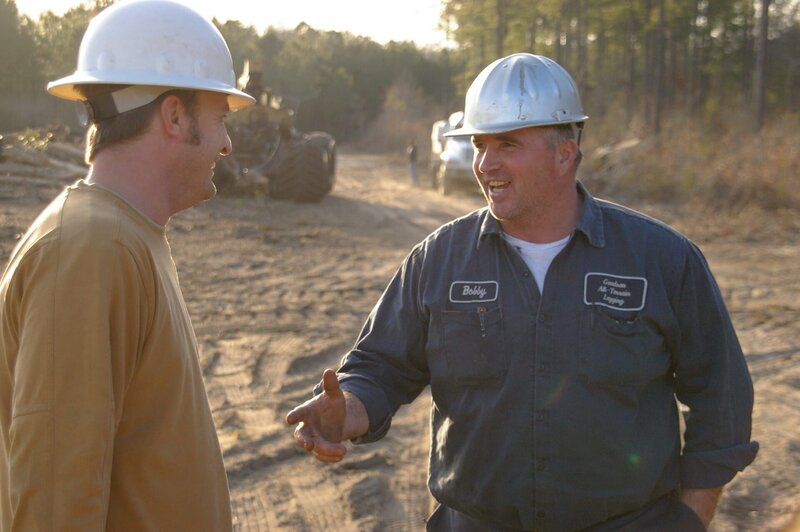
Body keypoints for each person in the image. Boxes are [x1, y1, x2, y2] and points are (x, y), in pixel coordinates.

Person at [286, 53, 758, 531]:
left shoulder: (662, 259)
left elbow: (722, 399)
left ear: (565, 153)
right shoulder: (439, 260)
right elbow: (381, 366)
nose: (485, 164)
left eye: (507, 144)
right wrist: (350, 408)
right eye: (478, 144)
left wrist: (690, 521)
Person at [0, 1, 254, 529]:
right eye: (220, 119)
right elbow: (54, 501)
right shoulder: (89, 249)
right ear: (175, 116)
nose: (227, 144)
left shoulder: (124, 236)